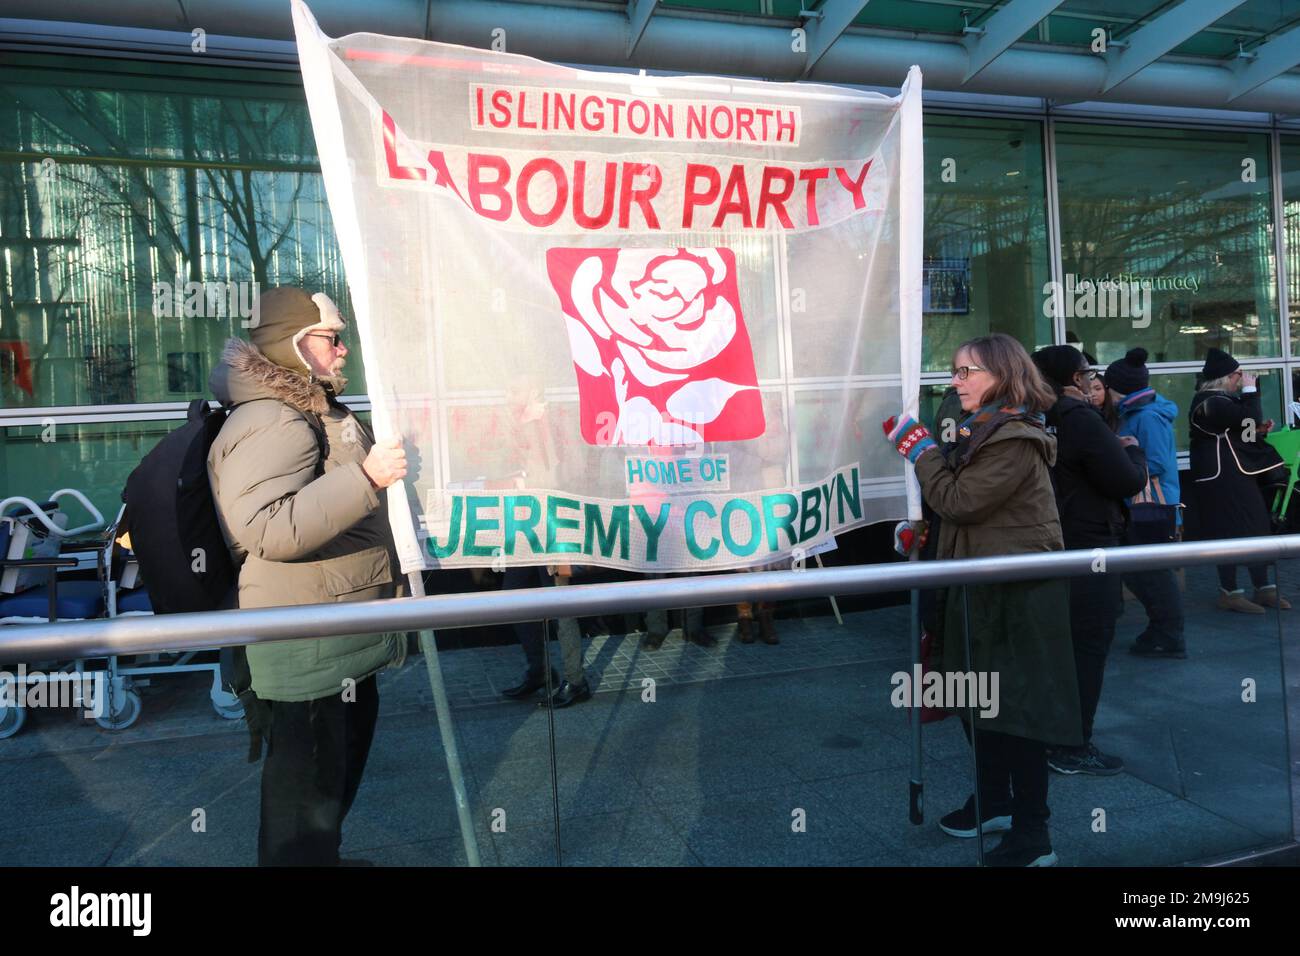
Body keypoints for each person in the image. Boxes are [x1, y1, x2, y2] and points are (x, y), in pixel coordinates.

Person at [207, 286, 409, 867]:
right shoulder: (274, 418)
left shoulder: (307, 409)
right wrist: (365, 478)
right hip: (309, 644)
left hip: (333, 635)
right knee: (306, 799)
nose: (344, 350)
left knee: (325, 788)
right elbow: (266, 529)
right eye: (331, 337)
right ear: (294, 345)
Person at [882, 333, 1081, 867]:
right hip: (979, 588)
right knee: (976, 698)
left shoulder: (1013, 437)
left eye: (967, 372)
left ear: (1002, 374)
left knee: (1016, 711)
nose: (955, 382)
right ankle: (995, 800)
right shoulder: (983, 430)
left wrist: (921, 451)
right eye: (955, 371)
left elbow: (961, 499)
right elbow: (960, 510)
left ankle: (1033, 835)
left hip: (1012, 597)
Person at [1032, 345, 1147, 777]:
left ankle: (1048, 737)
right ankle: (1073, 745)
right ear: (1072, 378)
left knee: (1057, 646)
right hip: (1089, 542)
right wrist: (1132, 451)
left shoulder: (1035, 415)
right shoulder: (1079, 418)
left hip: (1048, 542)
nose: (1091, 379)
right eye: (1087, 372)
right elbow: (1126, 478)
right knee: (1088, 645)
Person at [1188, 348, 1290, 614]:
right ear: (1224, 377)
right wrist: (1250, 392)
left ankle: (1264, 588)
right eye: (1237, 375)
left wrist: (1255, 431)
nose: (1241, 379)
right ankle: (1230, 591)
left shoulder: (1220, 401)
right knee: (1228, 530)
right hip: (1221, 476)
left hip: (1234, 473)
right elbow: (1247, 416)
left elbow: (1242, 431)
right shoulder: (1210, 401)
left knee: (1255, 523)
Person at [1106, 348, 1187, 659]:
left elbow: (1154, 463)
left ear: (1120, 389)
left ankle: (1168, 634)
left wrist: (1121, 457)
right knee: (1144, 572)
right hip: (1146, 505)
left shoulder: (1146, 417)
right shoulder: (1144, 412)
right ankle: (1164, 630)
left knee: (1153, 573)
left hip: (1149, 506)